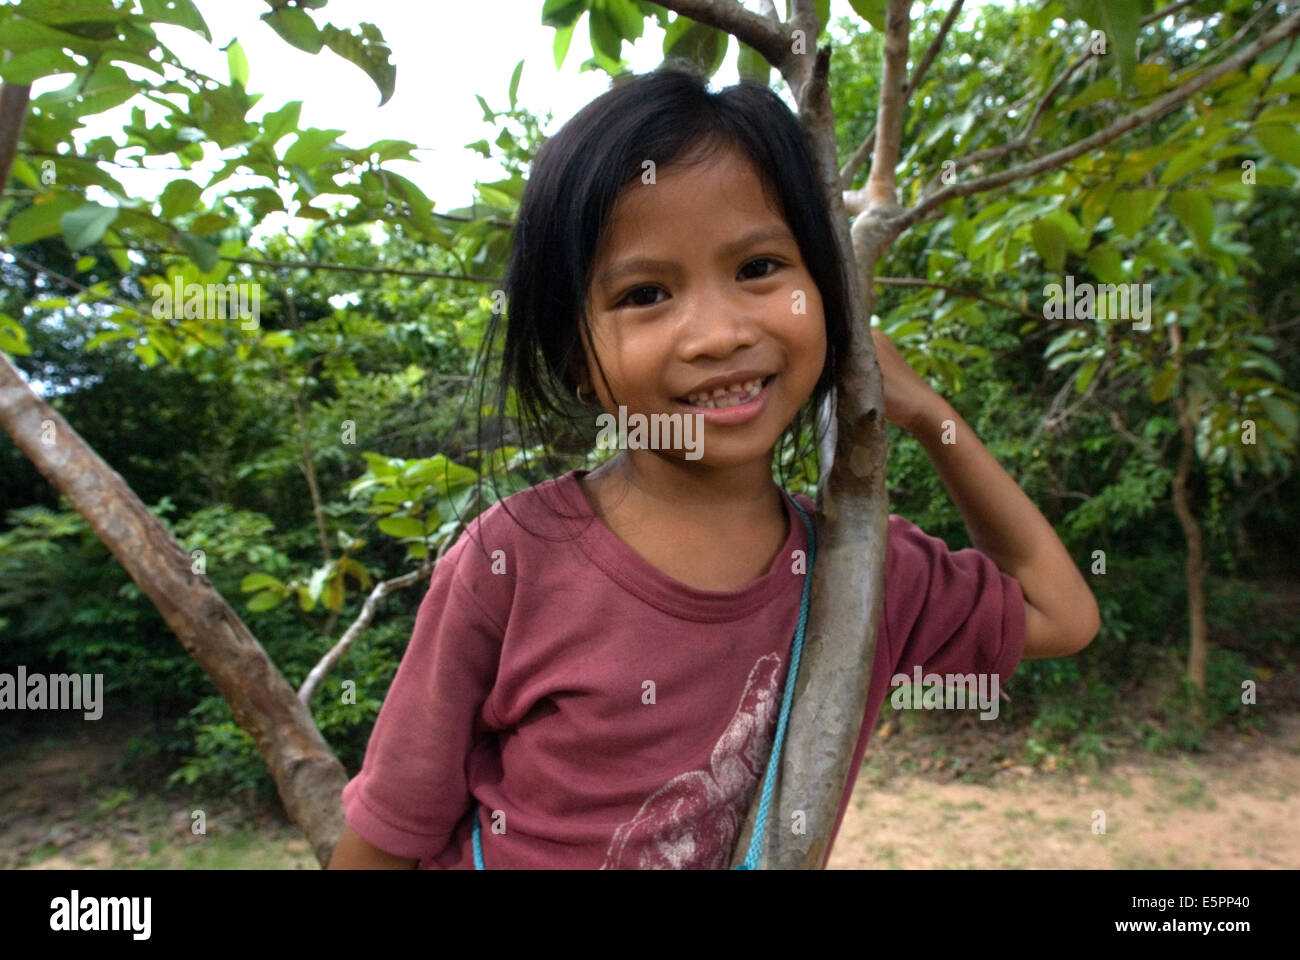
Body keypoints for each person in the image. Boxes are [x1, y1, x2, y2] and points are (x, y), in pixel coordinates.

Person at [327, 64, 1099, 870]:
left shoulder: (861, 572)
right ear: (576, 358)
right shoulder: (510, 561)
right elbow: (388, 833)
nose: (717, 333)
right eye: (646, 294)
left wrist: (925, 411)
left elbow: (1063, 615)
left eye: (759, 269)